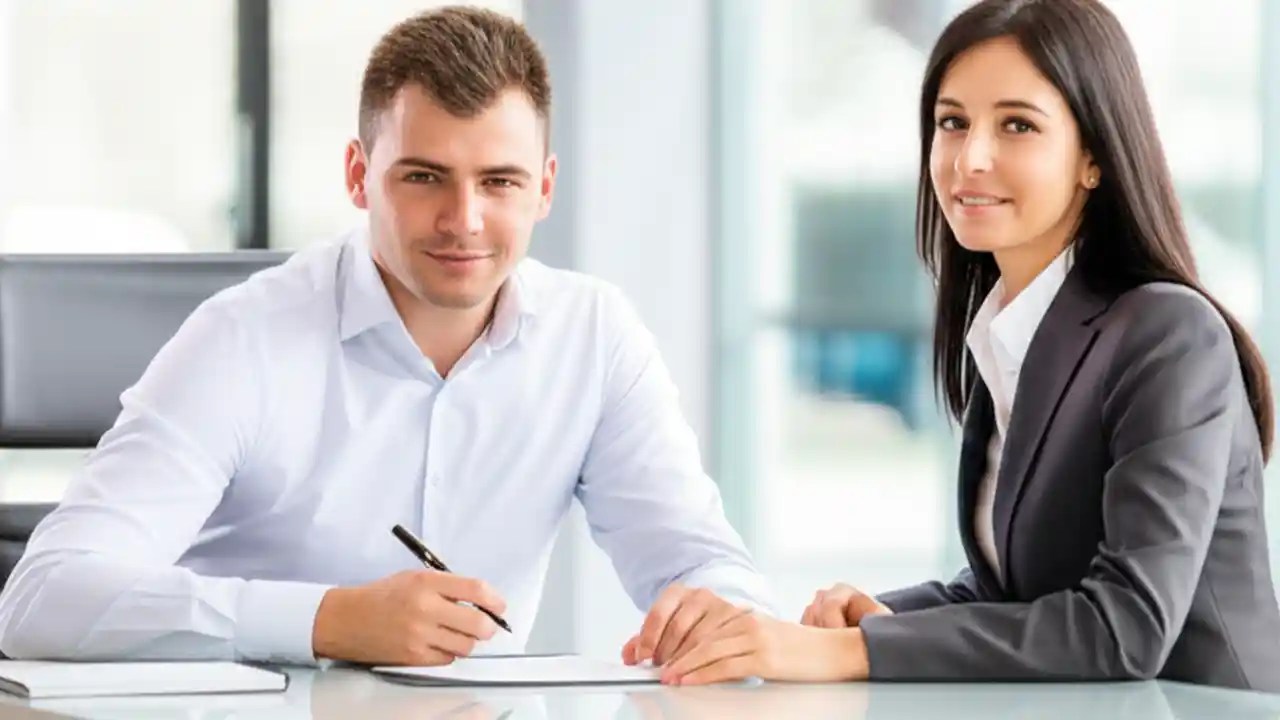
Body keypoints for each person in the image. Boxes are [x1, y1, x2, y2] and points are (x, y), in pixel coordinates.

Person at [0, 6, 768, 666]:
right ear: (359, 176)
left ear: (545, 188)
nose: (464, 220)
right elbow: (42, 598)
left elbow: (704, 567)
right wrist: (329, 621)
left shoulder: (595, 337)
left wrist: (717, 616)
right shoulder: (245, 337)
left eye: (499, 181)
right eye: (424, 177)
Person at [655, 0, 1280, 691]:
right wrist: (873, 620)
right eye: (952, 122)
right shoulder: (1012, 332)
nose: (969, 157)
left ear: (1094, 159)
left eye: (1017, 125)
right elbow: (1011, 591)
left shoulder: (1169, 334)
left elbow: (1124, 626)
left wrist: (846, 655)